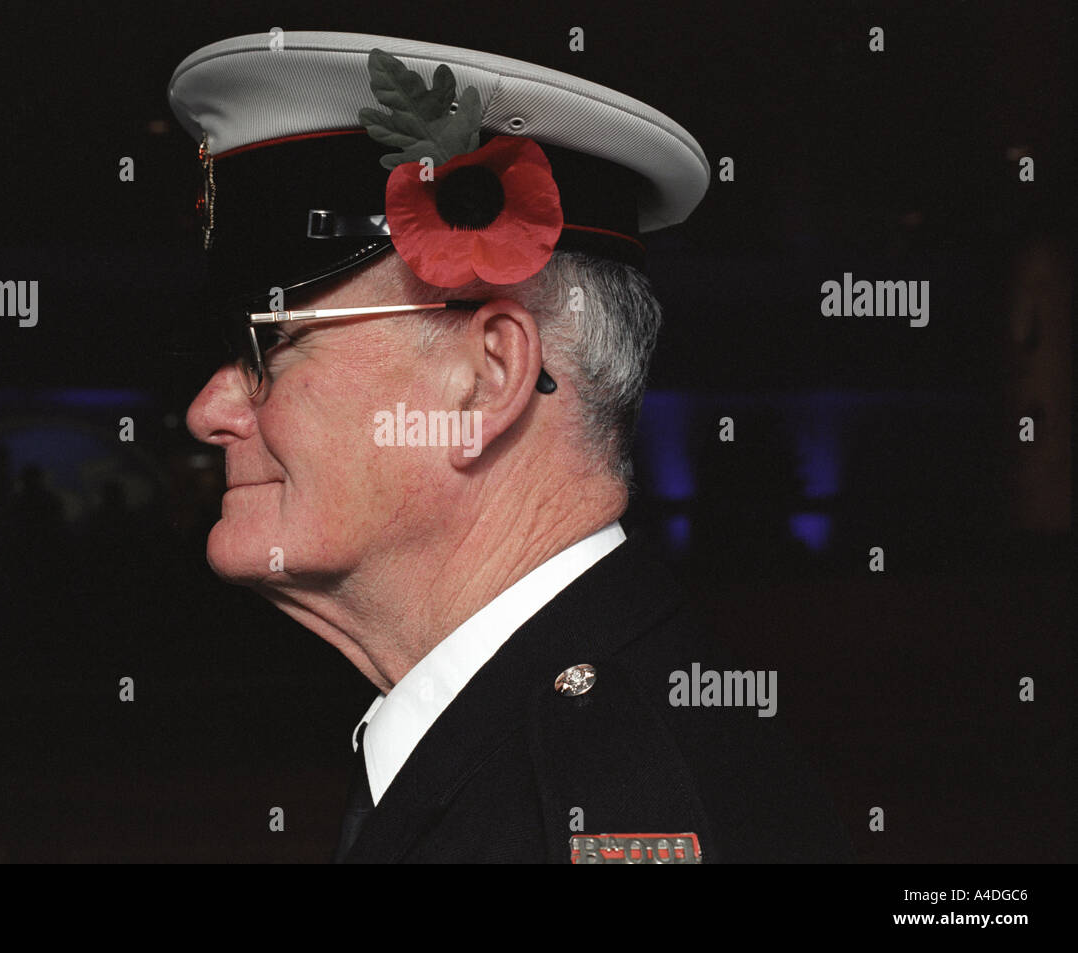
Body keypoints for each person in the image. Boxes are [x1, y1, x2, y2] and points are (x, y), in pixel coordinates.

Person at [171, 31, 852, 862]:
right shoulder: (540, 749)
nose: (209, 409)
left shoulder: (599, 805)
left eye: (268, 346)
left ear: (487, 380)